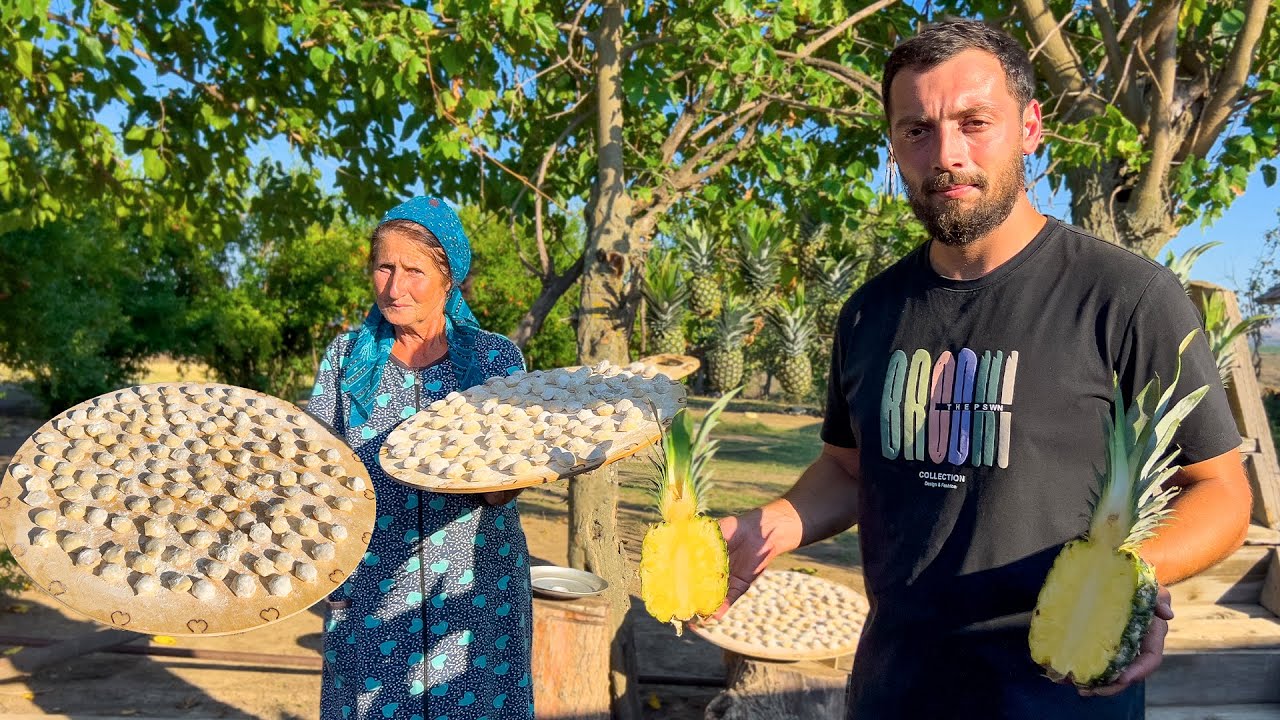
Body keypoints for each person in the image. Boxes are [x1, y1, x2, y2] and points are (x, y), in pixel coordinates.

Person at [716, 19, 1254, 720]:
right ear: (895, 145)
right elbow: (850, 470)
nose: (948, 154)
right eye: (917, 130)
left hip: (1061, 696)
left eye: (976, 122)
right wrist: (775, 523)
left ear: (1030, 126)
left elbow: (1220, 491)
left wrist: (1131, 578)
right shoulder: (869, 312)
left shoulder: (1127, 298)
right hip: (892, 693)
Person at [308, 197, 534, 720]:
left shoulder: (492, 358)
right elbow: (318, 468)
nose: (394, 287)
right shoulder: (347, 358)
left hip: (477, 578)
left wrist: (500, 479)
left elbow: (518, 468)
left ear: (448, 277)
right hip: (373, 578)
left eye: (414, 270)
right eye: (384, 267)